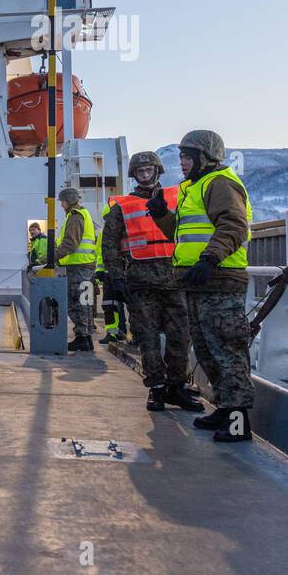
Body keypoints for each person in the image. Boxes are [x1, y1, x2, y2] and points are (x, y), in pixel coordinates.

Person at [150, 130, 255, 441]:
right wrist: (162, 217)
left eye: (187, 156)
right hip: (198, 283)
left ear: (205, 158)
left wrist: (210, 259)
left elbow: (234, 224)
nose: (181, 162)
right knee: (208, 351)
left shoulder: (219, 183)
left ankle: (238, 423)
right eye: (181, 156)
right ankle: (225, 408)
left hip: (220, 281)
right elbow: (184, 234)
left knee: (227, 350)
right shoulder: (194, 188)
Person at [101, 151, 201, 412]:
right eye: (141, 172)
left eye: (149, 171)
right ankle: (156, 388)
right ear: (134, 175)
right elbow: (109, 244)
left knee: (181, 336)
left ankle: (176, 388)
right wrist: (116, 277)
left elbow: (190, 228)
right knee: (148, 338)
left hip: (176, 278)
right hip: (141, 281)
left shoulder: (177, 197)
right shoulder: (122, 206)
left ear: (157, 172)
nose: (145, 175)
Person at [56, 186, 98, 351]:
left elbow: (70, 244)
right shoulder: (84, 214)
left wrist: (51, 259)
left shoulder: (74, 217)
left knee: (74, 301)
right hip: (86, 265)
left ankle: (81, 337)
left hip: (78, 266)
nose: (61, 205)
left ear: (69, 201)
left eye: (63, 202)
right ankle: (86, 338)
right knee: (85, 301)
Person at [95, 199, 129, 344]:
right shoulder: (105, 232)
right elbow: (100, 253)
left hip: (124, 272)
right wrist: (100, 270)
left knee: (131, 304)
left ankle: (132, 334)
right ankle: (113, 333)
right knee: (110, 304)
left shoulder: (126, 230)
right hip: (110, 273)